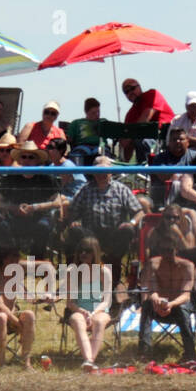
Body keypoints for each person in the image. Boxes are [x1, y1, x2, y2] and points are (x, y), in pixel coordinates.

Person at [65, 156, 144, 274]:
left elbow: (139, 212)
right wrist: (74, 221)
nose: (101, 174)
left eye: (104, 171)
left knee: (128, 229)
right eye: (98, 171)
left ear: (111, 172)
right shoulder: (85, 190)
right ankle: (78, 272)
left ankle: (113, 263)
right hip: (90, 235)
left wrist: (131, 222)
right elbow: (72, 211)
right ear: (93, 172)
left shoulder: (121, 189)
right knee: (74, 230)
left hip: (115, 233)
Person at [138, 232, 196, 362]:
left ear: (176, 249)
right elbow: (151, 288)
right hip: (159, 305)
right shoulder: (154, 264)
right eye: (164, 250)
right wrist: (155, 299)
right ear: (159, 250)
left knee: (182, 309)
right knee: (147, 305)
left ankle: (190, 354)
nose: (167, 253)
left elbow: (186, 295)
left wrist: (171, 304)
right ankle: (145, 352)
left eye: (170, 250)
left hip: (180, 306)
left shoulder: (187, 266)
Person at [60, 237, 113, 371]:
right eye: (81, 251)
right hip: (78, 310)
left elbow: (106, 300)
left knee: (99, 322)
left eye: (88, 251)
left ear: (95, 253)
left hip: (100, 310)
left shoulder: (104, 272)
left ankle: (89, 361)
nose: (83, 254)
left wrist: (94, 313)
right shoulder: (71, 272)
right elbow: (70, 302)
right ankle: (89, 361)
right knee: (78, 322)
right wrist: (82, 311)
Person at [0, 248, 37, 368]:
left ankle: (26, 362)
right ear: (3, 259)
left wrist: (44, 298)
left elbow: (29, 297)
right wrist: (18, 325)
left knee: (29, 314)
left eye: (17, 258)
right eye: (12, 258)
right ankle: (1, 363)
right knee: (1, 317)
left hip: (10, 318)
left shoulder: (15, 275)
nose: (15, 261)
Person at [120, 79, 175, 160]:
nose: (130, 92)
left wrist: (129, 137)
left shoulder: (152, 94)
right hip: (149, 143)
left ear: (139, 87)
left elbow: (145, 118)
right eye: (127, 92)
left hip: (168, 138)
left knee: (141, 139)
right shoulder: (130, 115)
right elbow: (127, 150)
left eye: (132, 88)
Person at [66, 98, 103, 165]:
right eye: (93, 113)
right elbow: (69, 139)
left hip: (100, 146)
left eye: (98, 112)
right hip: (82, 146)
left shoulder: (103, 122)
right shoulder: (76, 123)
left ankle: (105, 173)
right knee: (77, 154)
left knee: (103, 154)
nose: (97, 115)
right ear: (86, 112)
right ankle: (77, 174)